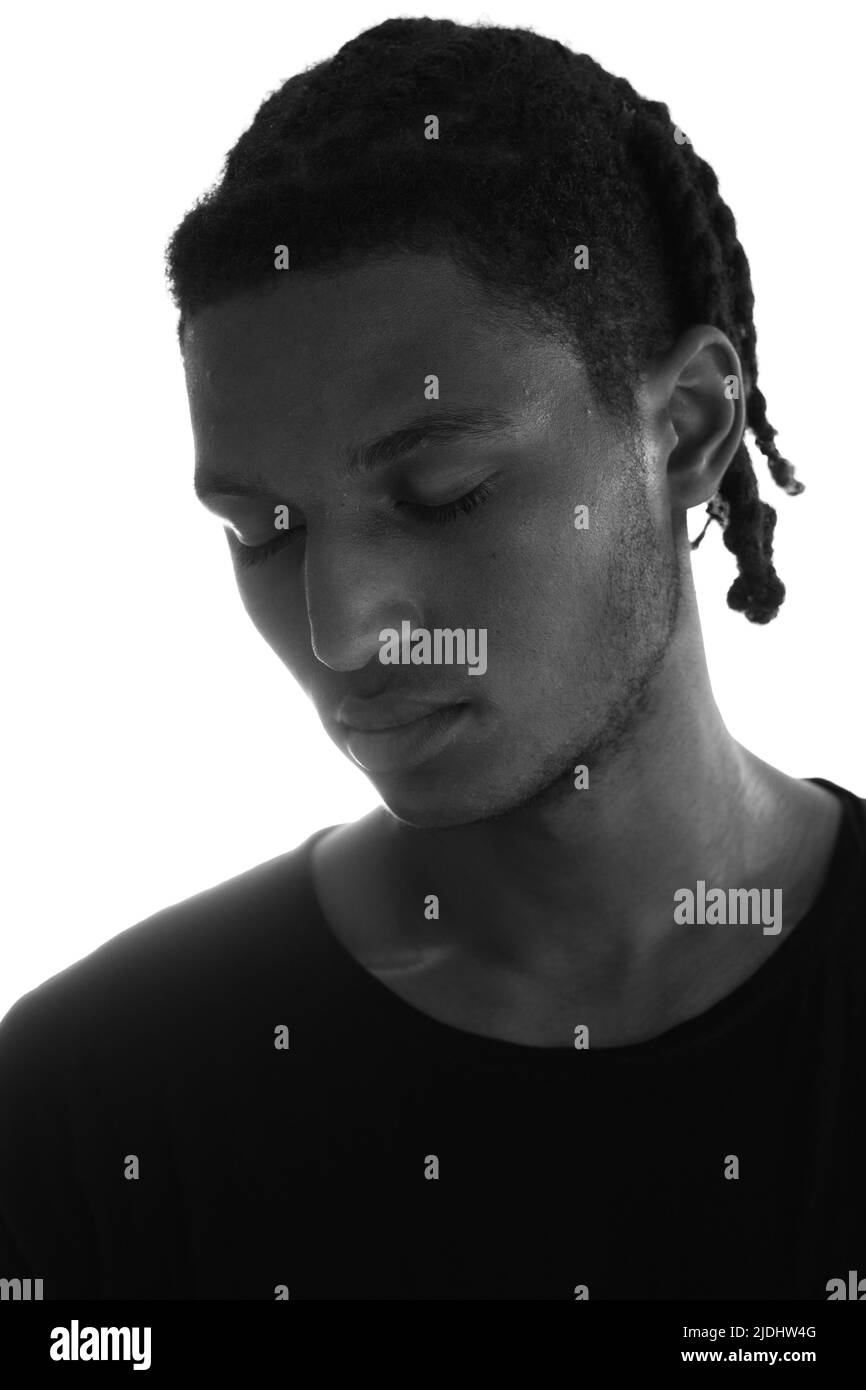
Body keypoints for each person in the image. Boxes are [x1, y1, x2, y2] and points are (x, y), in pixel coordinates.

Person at [0, 17, 863, 1302]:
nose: (340, 629)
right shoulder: (87, 1106)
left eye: (442, 491)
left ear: (684, 428)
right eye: (259, 534)